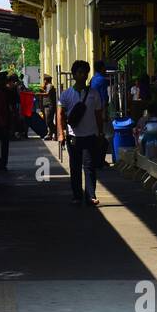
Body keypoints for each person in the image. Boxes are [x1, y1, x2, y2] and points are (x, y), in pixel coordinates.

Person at [57, 59, 105, 206]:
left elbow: (98, 114)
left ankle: (91, 195)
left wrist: (100, 133)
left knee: (89, 167)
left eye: (85, 72)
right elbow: (59, 114)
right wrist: (60, 133)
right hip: (74, 137)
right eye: (79, 72)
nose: (83, 75)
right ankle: (77, 195)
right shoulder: (66, 94)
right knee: (75, 167)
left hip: (90, 135)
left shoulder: (94, 94)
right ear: (74, 74)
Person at [40, 74, 57, 139]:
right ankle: (50, 134)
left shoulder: (50, 85)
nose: (43, 82)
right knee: (48, 121)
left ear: (46, 80)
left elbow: (47, 94)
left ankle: (55, 132)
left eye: (44, 80)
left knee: (49, 121)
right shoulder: (47, 86)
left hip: (49, 106)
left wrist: (38, 94)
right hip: (46, 105)